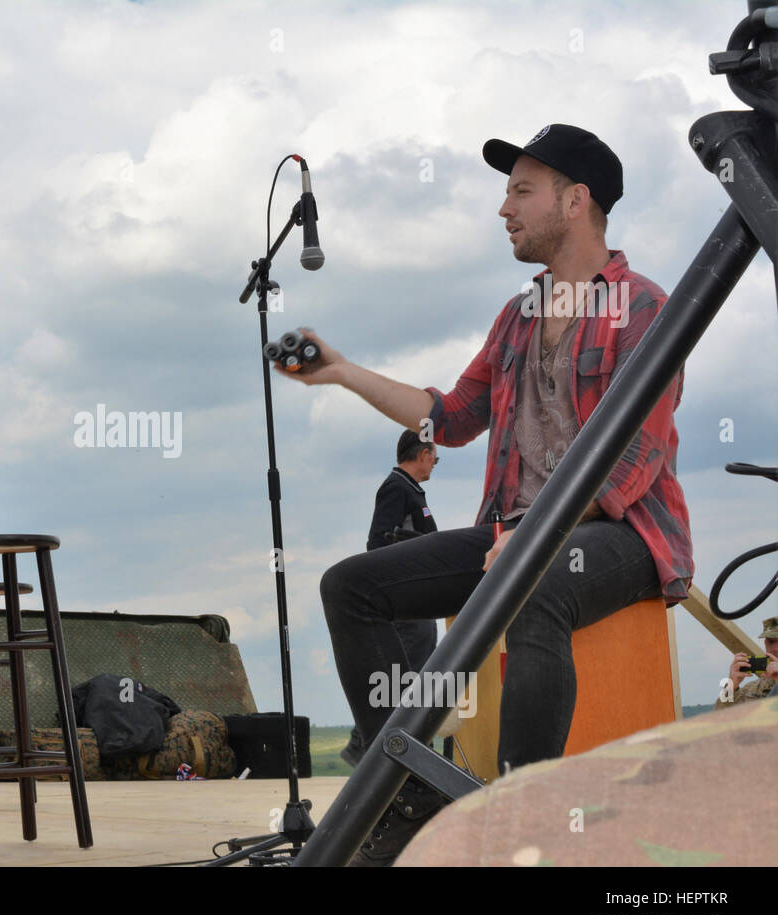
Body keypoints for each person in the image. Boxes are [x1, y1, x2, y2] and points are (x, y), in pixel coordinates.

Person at [277, 124, 692, 865]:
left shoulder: (645, 309)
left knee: (535, 583)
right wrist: (341, 372)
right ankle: (406, 799)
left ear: (576, 200)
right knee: (351, 587)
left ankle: (518, 822)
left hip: (623, 534)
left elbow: (630, 462)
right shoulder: (517, 315)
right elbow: (454, 417)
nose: (505, 208)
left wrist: (534, 541)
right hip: (514, 531)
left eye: (520, 190)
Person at [340, 429, 439, 768]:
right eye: (435, 458)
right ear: (423, 454)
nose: (435, 465)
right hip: (405, 600)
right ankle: (364, 745)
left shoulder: (410, 490)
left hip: (418, 597)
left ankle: (389, 746)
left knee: (413, 670)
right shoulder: (396, 488)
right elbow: (378, 543)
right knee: (403, 671)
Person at [715, 616, 777, 708]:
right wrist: (731, 686)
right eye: (771, 642)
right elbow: (720, 718)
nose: (775, 649)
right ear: (765, 643)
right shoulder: (753, 690)